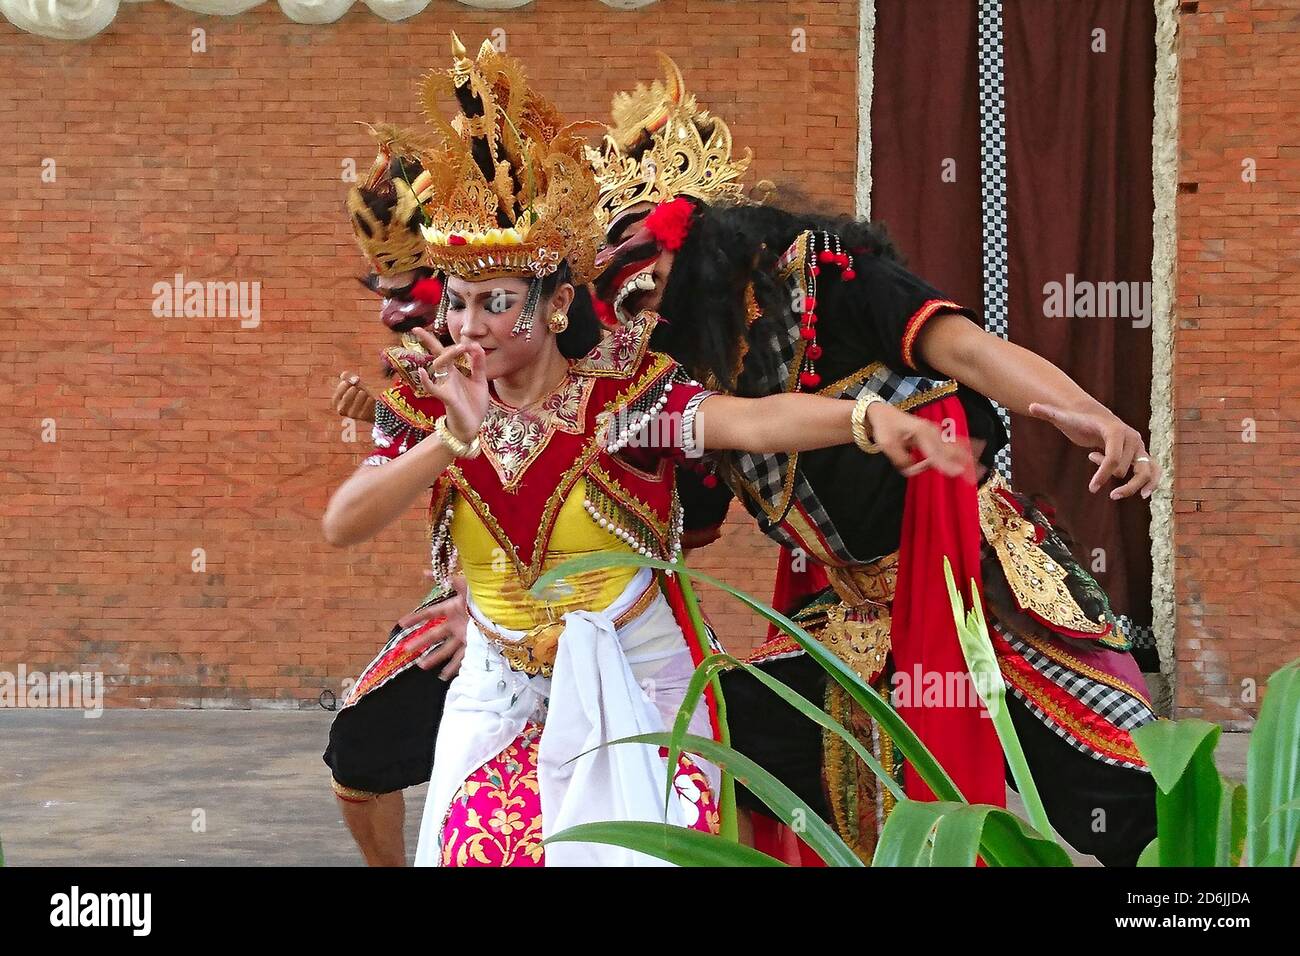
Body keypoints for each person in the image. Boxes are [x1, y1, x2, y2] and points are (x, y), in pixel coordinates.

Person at [322, 35, 974, 867]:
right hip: (497, 690)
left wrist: (861, 422)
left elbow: (748, 421)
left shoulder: (622, 396)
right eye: (456, 302)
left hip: (637, 682)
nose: (470, 326)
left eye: (497, 303)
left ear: (557, 304)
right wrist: (452, 439)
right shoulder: (425, 395)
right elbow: (344, 522)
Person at [586, 53, 1161, 865]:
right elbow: (658, 525)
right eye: (623, 302)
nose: (638, 315)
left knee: (1129, 801)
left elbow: (969, 350)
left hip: (983, 595)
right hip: (856, 625)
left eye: (647, 285)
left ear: (702, 242)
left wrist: (1085, 413)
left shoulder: (825, 275)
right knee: (721, 731)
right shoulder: (688, 387)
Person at [322, 126, 466, 866]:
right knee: (361, 748)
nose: (392, 312)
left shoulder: (575, 368)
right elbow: (352, 512)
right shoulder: (419, 376)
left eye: (412, 292)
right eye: (385, 293)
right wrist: (386, 416)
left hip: (585, 610)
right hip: (470, 607)